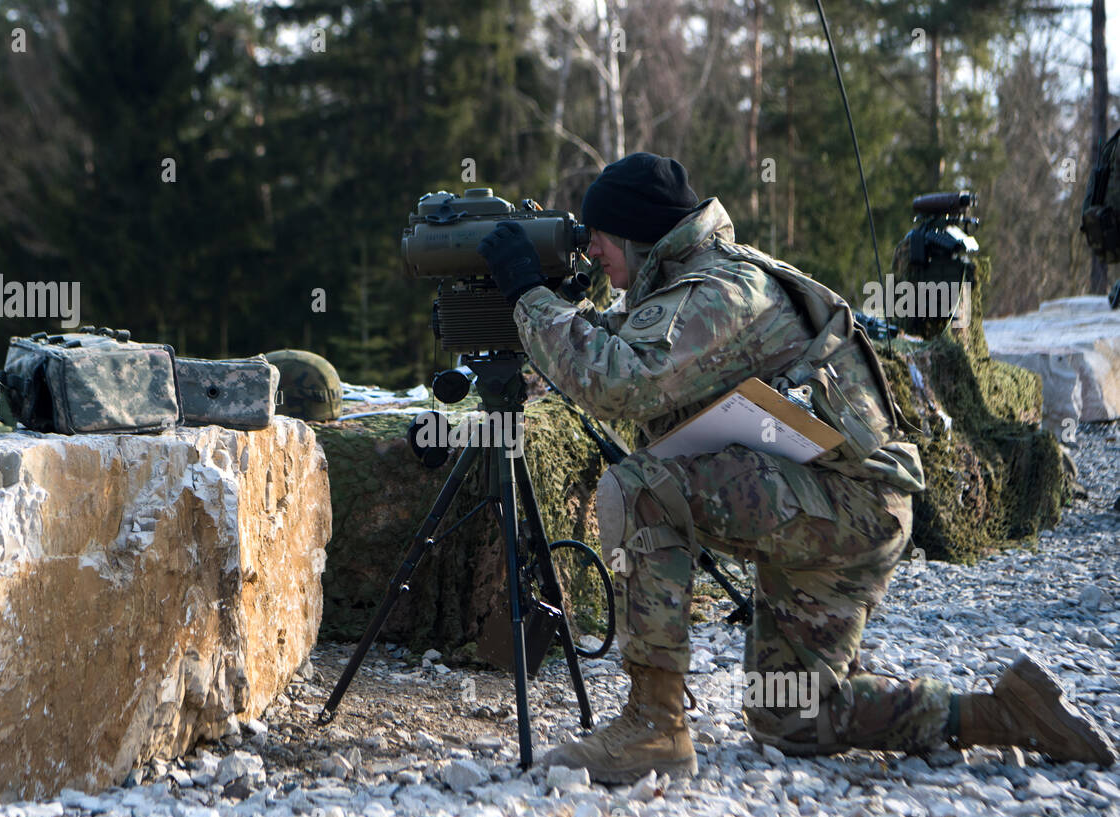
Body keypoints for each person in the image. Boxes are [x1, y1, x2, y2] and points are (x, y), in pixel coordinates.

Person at [476, 152, 1116, 784]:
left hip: (847, 505)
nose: (592, 255)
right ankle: (999, 715)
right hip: (835, 504)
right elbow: (600, 356)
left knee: (643, 489)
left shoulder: (721, 292)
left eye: (599, 241)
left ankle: (654, 725)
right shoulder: (683, 287)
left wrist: (529, 298)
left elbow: (620, 381)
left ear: (636, 234)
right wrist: (542, 317)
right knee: (794, 716)